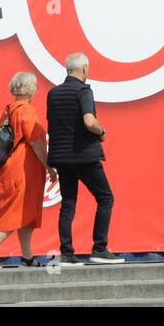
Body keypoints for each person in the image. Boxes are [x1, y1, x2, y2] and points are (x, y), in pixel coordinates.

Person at [46, 52, 123, 266]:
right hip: (84, 156)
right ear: (84, 69)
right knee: (105, 198)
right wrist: (102, 132)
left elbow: (53, 126)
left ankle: (67, 254)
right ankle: (99, 248)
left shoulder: (53, 94)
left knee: (68, 205)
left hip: (61, 158)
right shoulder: (83, 91)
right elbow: (90, 121)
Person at [0, 71, 56, 269]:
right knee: (17, 211)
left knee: (26, 214)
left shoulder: (9, 109)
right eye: (36, 86)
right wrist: (50, 167)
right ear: (30, 89)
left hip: (10, 169)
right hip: (22, 171)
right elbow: (36, 142)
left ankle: (27, 257)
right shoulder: (26, 110)